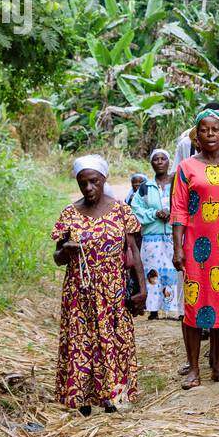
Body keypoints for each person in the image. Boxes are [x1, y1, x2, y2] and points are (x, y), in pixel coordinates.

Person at [51, 155, 145, 415]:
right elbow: (57, 257)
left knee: (113, 340)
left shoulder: (121, 210)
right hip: (79, 290)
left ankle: (113, 397)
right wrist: (66, 252)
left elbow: (133, 251)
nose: (89, 188)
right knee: (82, 342)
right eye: (84, 183)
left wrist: (141, 288)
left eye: (94, 182)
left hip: (113, 287)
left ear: (104, 180)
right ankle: (82, 397)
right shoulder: (70, 214)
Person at [170, 109, 219, 388]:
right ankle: (193, 369)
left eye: (215, 130)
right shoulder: (186, 168)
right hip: (194, 247)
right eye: (204, 130)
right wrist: (177, 248)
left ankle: (218, 366)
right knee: (193, 306)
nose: (210, 134)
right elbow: (178, 209)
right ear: (197, 135)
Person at [131, 148, 179, 321]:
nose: (159, 162)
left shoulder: (177, 184)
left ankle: (175, 308)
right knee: (152, 272)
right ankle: (153, 309)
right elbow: (136, 209)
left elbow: (184, 204)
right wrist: (154, 214)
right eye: (156, 159)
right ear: (151, 164)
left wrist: (171, 213)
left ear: (168, 162)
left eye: (163, 159)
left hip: (173, 236)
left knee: (174, 271)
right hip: (152, 237)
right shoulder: (145, 187)